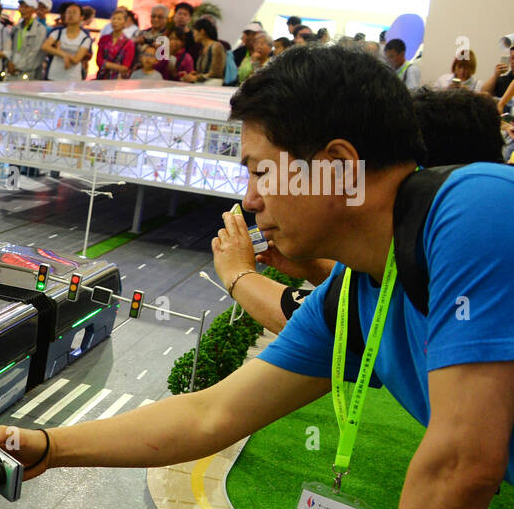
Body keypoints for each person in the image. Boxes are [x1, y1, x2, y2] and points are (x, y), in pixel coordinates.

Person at [0, 43, 514, 509]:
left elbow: (462, 463)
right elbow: (210, 415)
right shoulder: (354, 293)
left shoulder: (475, 210)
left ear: (339, 165)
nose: (250, 200)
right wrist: (48, 445)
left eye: (261, 171)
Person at [212, 82, 505, 334]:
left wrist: (238, 274)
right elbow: (337, 318)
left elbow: (323, 323)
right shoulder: (400, 268)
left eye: (262, 173)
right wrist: (314, 267)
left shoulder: (478, 245)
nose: (250, 200)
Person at [41, 2, 92, 81]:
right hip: (53, 76)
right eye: (68, 12)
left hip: (73, 78)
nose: (70, 15)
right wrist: (64, 55)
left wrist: (57, 50)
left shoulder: (85, 38)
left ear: (81, 17)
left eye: (74, 12)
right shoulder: (57, 32)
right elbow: (45, 47)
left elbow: (76, 59)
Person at [5, 0, 46, 80]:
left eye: (26, 7)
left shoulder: (40, 29)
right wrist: (9, 63)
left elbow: (36, 53)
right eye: (21, 6)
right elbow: (10, 48)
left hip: (28, 74)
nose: (23, 10)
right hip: (12, 71)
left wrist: (18, 66)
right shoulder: (16, 27)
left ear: (34, 10)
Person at [180, 17, 225, 83]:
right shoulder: (202, 48)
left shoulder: (217, 46)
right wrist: (194, 74)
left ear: (202, 31)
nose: (193, 35)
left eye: (194, 32)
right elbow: (205, 71)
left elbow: (216, 73)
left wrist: (196, 78)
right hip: (203, 84)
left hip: (212, 86)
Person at [94, 7, 135, 79]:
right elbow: (98, 61)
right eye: (114, 18)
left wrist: (105, 64)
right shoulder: (104, 39)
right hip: (102, 77)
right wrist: (117, 67)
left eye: (119, 19)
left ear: (125, 23)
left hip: (118, 80)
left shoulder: (129, 43)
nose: (115, 21)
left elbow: (126, 67)